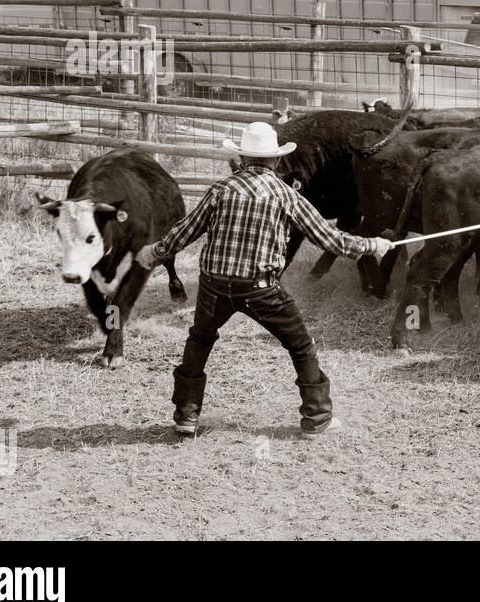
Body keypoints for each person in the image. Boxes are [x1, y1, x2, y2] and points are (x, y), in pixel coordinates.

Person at [135, 121, 391, 437]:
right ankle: (317, 417)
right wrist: (371, 245)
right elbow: (330, 239)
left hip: (214, 284)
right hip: (260, 288)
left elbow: (183, 233)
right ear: (275, 160)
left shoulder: (220, 190)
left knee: (199, 340)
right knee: (300, 345)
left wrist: (153, 252)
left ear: (242, 159)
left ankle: (186, 416)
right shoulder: (287, 196)